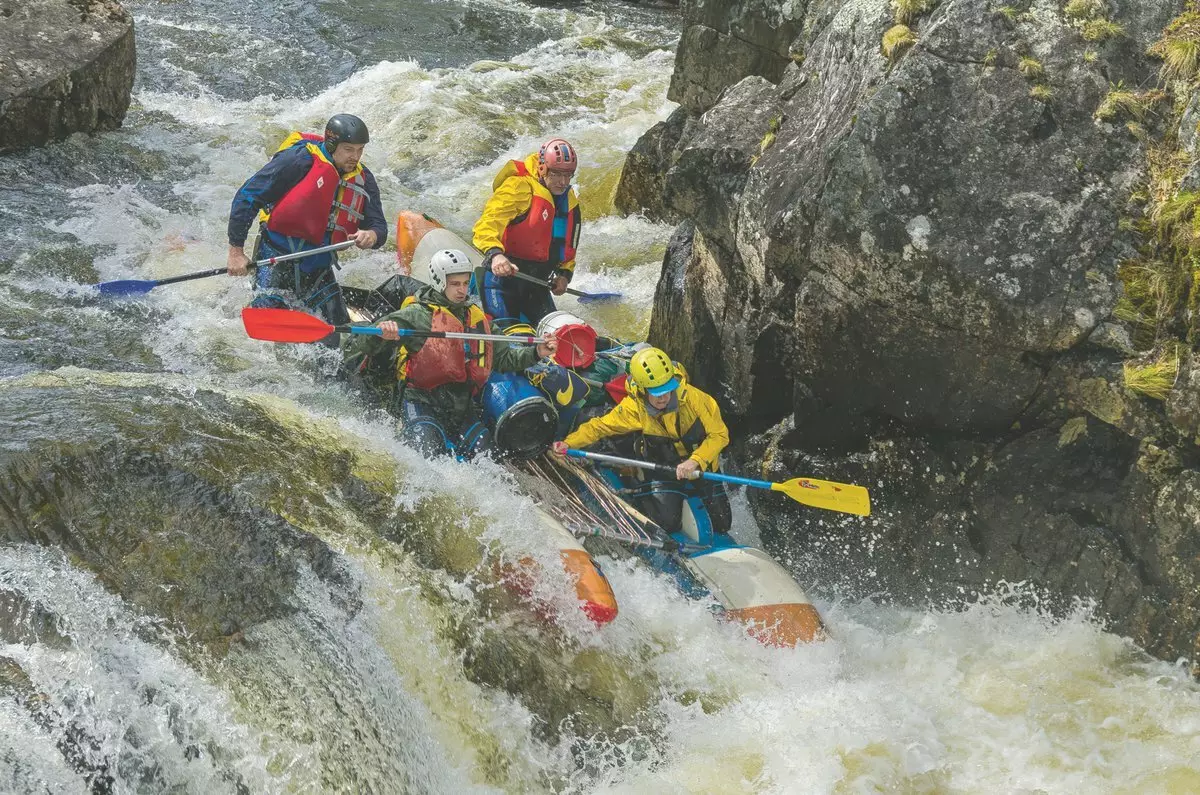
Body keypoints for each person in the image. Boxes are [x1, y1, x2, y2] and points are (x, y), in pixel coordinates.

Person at [344, 249, 557, 459]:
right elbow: (365, 345)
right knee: (427, 455)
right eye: (455, 284)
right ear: (439, 281)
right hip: (422, 401)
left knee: (487, 460)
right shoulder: (417, 315)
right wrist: (383, 334)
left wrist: (537, 352)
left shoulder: (478, 319)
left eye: (465, 283)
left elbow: (504, 360)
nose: (462, 290)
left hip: (462, 408)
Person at [226, 113, 388, 331]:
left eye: (360, 150)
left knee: (340, 332)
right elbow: (247, 197)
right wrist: (236, 252)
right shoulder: (297, 161)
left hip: (319, 269)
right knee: (271, 324)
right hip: (276, 260)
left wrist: (372, 235)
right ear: (331, 144)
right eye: (349, 149)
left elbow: (379, 226)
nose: (355, 157)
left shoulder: (364, 179)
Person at [552, 347, 733, 534]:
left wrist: (695, 461)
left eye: (667, 390)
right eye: (657, 393)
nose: (664, 398)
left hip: (702, 466)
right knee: (667, 523)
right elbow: (599, 427)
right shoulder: (634, 407)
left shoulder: (697, 399)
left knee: (723, 524)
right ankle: (638, 488)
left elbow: (719, 435)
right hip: (663, 467)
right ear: (642, 390)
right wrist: (569, 443)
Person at [472, 137, 581, 326]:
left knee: (560, 336)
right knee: (511, 338)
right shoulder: (519, 187)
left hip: (536, 285)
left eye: (568, 175)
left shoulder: (570, 202)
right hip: (501, 281)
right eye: (556, 174)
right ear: (542, 168)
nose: (563, 182)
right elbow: (486, 225)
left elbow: (568, 248)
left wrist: (564, 275)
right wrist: (495, 255)